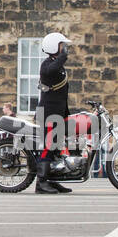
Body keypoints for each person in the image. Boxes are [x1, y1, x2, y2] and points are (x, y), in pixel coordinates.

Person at [35, 32, 74, 194]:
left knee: (57, 147)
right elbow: (52, 70)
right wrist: (63, 56)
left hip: (58, 112)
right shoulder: (47, 65)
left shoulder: (58, 66)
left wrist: (66, 114)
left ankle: (52, 180)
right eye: (61, 45)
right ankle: (41, 182)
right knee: (48, 146)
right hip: (49, 112)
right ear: (53, 46)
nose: (64, 48)